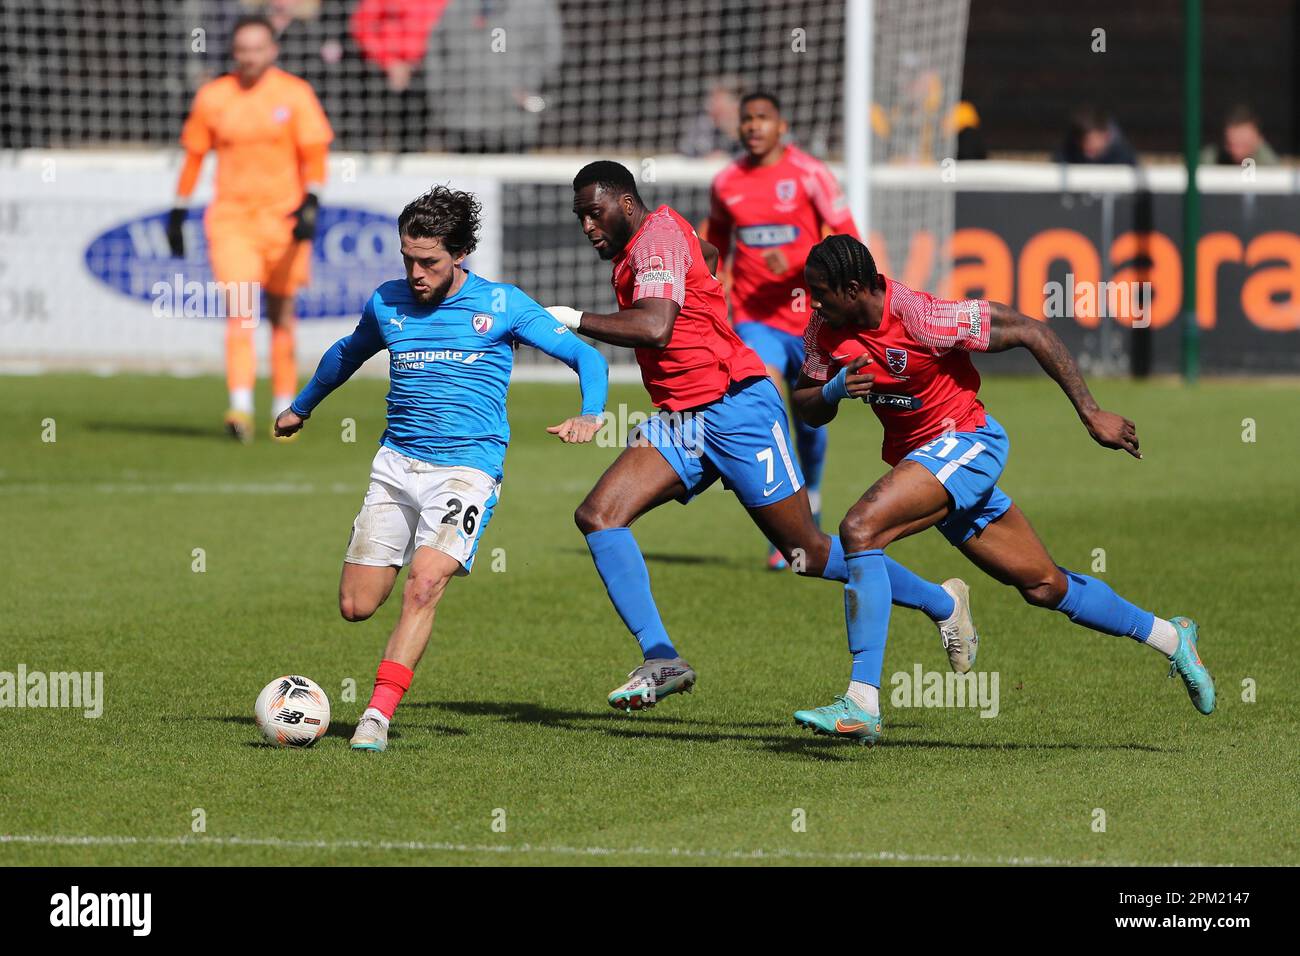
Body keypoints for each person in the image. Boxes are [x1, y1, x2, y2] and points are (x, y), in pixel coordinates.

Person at [547, 162, 975, 713]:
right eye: (580, 215)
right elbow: (709, 257)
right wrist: (703, 296)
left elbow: (654, 328)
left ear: (626, 203)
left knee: (808, 552)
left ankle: (942, 601)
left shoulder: (652, 245)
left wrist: (572, 317)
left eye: (594, 211)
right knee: (599, 515)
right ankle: (662, 657)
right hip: (683, 419)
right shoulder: (665, 230)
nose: (587, 225)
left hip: (736, 408)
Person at [788, 235, 1214, 744]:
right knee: (1044, 587)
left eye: (820, 292)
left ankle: (861, 702)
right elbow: (807, 406)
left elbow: (1032, 331)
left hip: (966, 443)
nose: (811, 302)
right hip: (924, 467)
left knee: (859, 528)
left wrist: (1091, 411)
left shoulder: (924, 316)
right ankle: (1172, 637)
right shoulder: (824, 329)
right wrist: (833, 390)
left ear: (853, 288)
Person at [273, 187, 608, 752]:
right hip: (396, 465)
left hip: (467, 471)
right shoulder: (388, 302)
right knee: (356, 606)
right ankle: (398, 565)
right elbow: (347, 352)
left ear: (459, 254)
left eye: (428, 261)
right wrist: (301, 406)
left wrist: (591, 413)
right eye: (407, 259)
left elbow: (587, 356)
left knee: (424, 585)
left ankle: (376, 717)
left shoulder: (501, 304)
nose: (415, 273)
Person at [706, 91, 860, 570]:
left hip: (814, 322)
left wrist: (795, 260)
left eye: (762, 119)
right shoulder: (726, 182)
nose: (753, 126)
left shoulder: (810, 174)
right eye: (746, 119)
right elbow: (714, 249)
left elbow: (847, 236)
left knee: (811, 419)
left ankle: (810, 495)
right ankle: (788, 528)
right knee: (768, 405)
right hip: (755, 321)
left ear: (781, 125)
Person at [170, 13, 333, 442]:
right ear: (233, 52)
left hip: (284, 220)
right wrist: (178, 207)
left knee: (282, 316)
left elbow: (314, 153)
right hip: (232, 220)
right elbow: (194, 155)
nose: (249, 57)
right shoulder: (214, 96)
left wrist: (312, 200)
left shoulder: (294, 95)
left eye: (257, 48)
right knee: (240, 310)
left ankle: (287, 412)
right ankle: (239, 408)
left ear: (272, 50)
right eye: (242, 49)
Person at [422, 0, 564, 153]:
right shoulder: (456, 6)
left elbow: (551, 54)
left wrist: (525, 89)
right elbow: (435, 53)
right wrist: (443, 101)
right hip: (463, 121)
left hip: (514, 122)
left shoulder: (537, 6)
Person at [677, 76, 744, 158]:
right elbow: (686, 149)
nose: (711, 104)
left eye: (718, 99)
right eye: (713, 98)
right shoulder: (702, 122)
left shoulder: (746, 123)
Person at [1201, 105, 1280, 167]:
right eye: (1232, 145)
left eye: (1244, 145)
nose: (1237, 152)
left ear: (1259, 139)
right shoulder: (1211, 158)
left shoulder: (1268, 164)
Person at [1054, 107, 1137, 165]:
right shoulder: (1066, 153)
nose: (1086, 152)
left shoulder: (1125, 157)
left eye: (1090, 142)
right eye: (1081, 142)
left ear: (1106, 136)